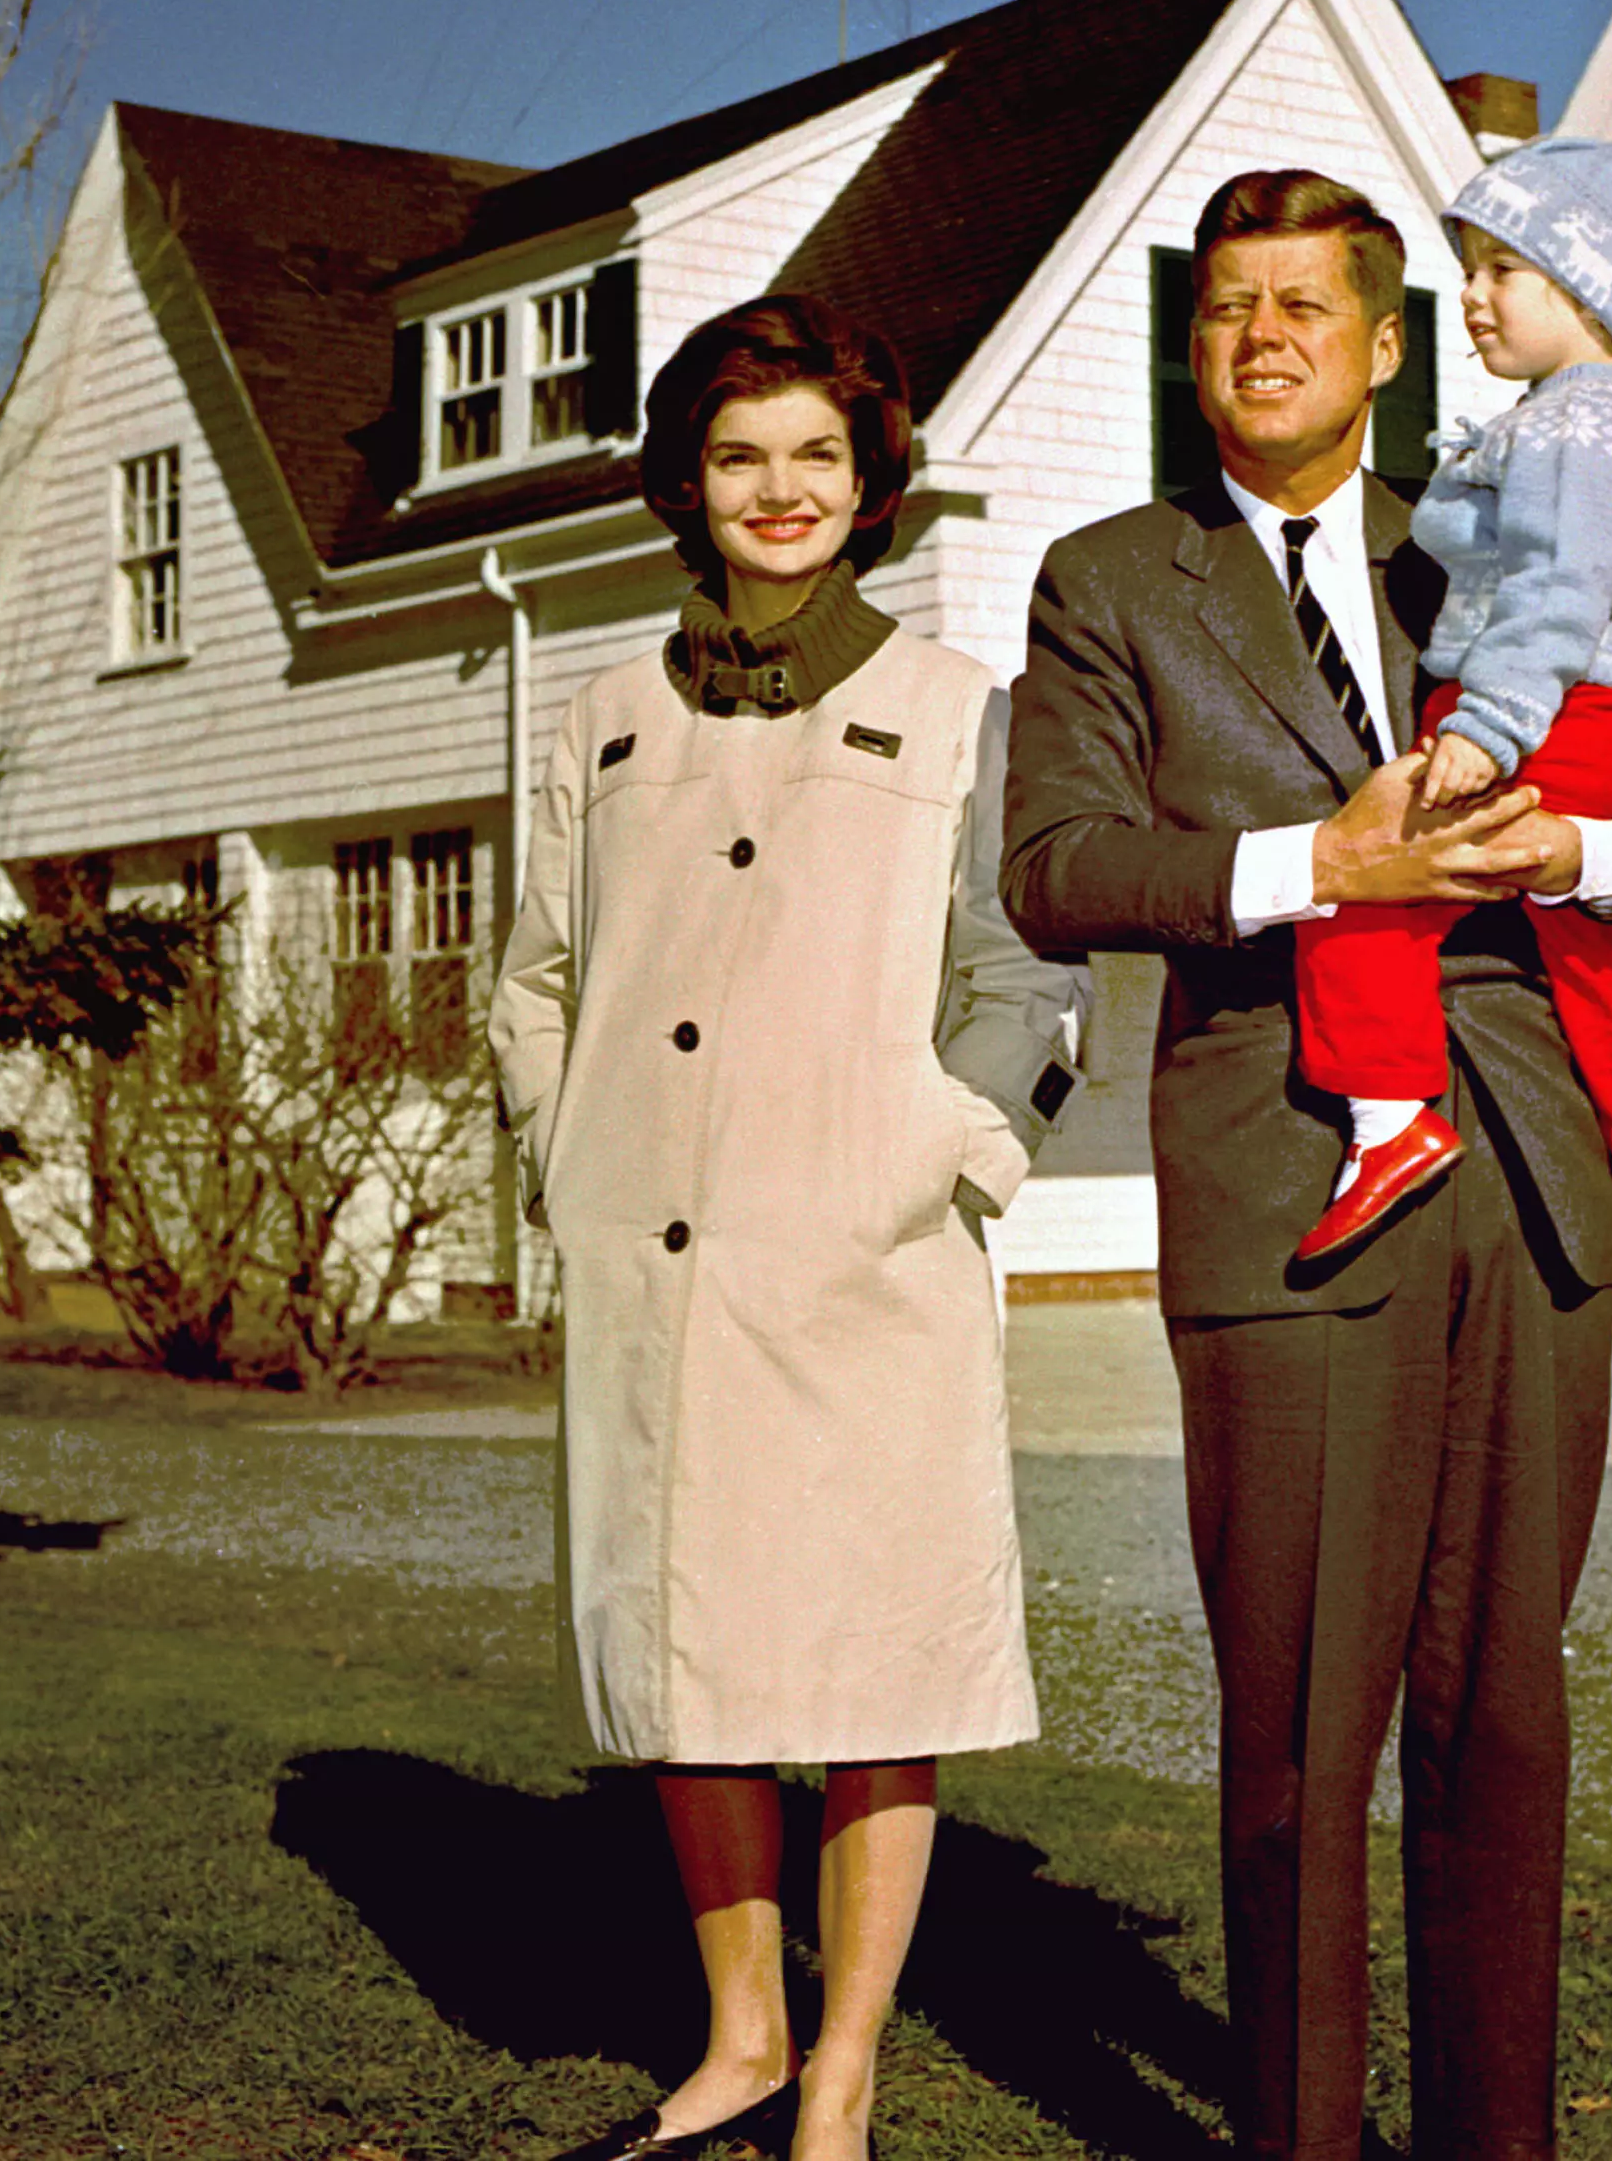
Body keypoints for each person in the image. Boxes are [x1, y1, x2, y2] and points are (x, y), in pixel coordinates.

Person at [1001, 169, 1612, 2161]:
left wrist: (1553, 852)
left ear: (1385, 345)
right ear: (1192, 341)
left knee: (1503, 1713)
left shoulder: (1498, 537)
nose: (1263, 337)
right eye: (1227, 305)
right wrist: (1313, 868)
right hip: (1289, 1190)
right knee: (1307, 1728)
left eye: (1306, 305)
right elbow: (1057, 869)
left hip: (1525, 1178)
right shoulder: (1107, 580)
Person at [490, 294, 1084, 2161]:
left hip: (864, 1263)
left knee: (869, 1658)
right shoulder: (594, 722)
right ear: (687, 477)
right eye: (739, 453)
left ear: (869, 479)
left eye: (816, 454)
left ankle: (842, 2079)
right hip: (651, 1259)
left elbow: (1028, 984)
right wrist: (565, 1159)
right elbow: (535, 982)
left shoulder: (957, 714)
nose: (778, 489)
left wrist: (931, 1157)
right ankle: (740, 2042)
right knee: (695, 1664)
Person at [1289, 132, 1612, 1317]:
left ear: (1585, 288)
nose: (1471, 298)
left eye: (1503, 272)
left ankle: (1386, 1123)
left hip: (1547, 708)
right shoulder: (1592, 422)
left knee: (1366, 890)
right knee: (1585, 947)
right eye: (1470, 268)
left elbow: (1556, 588)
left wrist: (1487, 723)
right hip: (1610, 713)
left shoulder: (1576, 427)